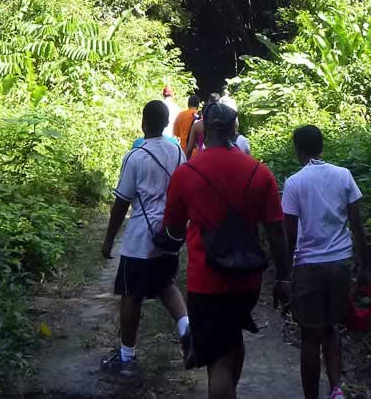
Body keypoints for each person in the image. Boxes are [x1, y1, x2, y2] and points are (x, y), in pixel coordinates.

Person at [162, 101, 291, 399]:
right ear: (235, 130)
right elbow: (275, 229)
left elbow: (174, 228)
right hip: (247, 280)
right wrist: (284, 278)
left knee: (218, 361)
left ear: (204, 129)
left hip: (206, 280)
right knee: (232, 340)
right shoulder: (260, 172)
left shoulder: (186, 173)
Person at [99, 100, 190, 379]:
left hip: (140, 239)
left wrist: (108, 240)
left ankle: (127, 357)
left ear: (143, 122)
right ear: (165, 123)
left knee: (131, 294)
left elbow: (121, 204)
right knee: (166, 284)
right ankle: (188, 330)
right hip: (167, 236)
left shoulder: (135, 156)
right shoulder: (176, 151)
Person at [281, 125, 371, 399]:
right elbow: (356, 223)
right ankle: (336, 389)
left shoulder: (294, 182)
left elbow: (290, 233)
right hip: (340, 263)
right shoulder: (343, 175)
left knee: (310, 336)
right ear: (321, 147)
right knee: (332, 327)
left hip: (309, 265)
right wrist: (364, 265)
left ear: (298, 149)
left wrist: (286, 273)